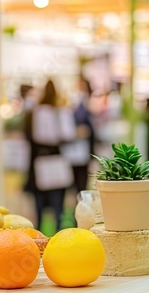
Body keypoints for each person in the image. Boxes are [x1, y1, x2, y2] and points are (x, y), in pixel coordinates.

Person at [23, 79, 74, 231]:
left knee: (39, 203)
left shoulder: (36, 111)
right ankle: (58, 233)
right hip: (57, 158)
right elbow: (68, 134)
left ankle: (38, 234)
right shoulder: (61, 111)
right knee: (58, 203)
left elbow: (34, 136)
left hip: (41, 159)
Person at [68, 77, 96, 194]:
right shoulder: (74, 103)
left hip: (83, 148)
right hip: (73, 149)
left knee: (82, 181)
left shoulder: (88, 104)